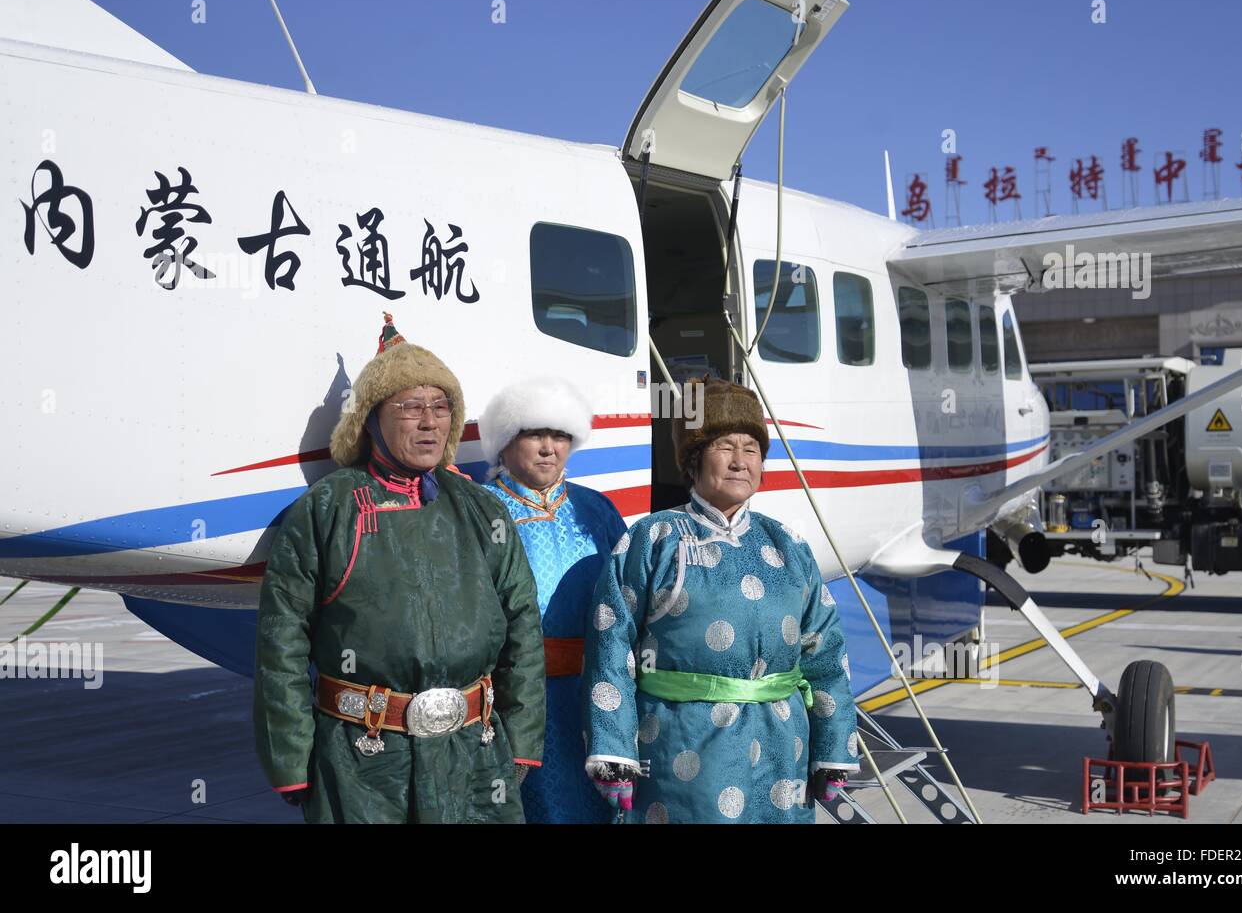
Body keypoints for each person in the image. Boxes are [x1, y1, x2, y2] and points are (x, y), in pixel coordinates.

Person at [252, 312, 546, 823]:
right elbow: (282, 640)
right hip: (363, 759)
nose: (430, 421)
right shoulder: (327, 510)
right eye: (411, 407)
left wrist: (520, 740)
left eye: (441, 406)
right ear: (371, 419)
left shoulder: (481, 510)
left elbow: (523, 624)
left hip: (474, 754)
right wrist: (291, 758)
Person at [582, 377, 859, 823]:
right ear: (693, 461)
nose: (739, 461)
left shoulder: (788, 544)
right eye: (724, 446)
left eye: (751, 449)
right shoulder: (653, 539)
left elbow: (824, 652)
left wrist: (833, 744)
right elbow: (610, 645)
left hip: (780, 749)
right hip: (682, 749)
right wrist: (613, 750)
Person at [478, 377, 627, 823]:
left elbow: (630, 595)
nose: (549, 448)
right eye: (534, 435)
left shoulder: (595, 508)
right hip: (513, 696)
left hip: (595, 693)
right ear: (505, 444)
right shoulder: (478, 509)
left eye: (560, 435)